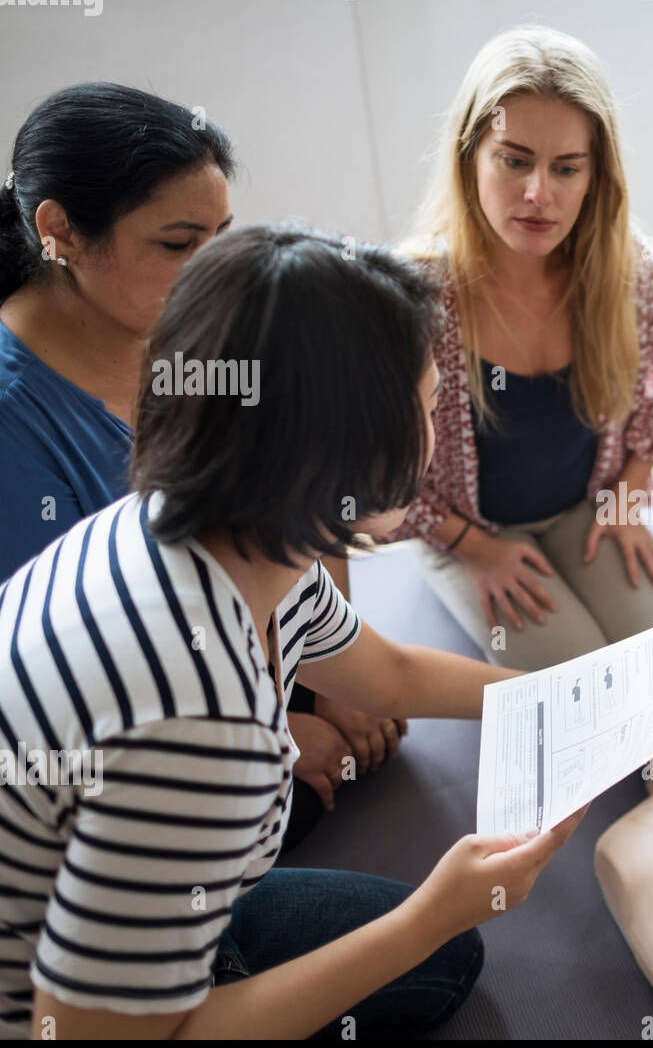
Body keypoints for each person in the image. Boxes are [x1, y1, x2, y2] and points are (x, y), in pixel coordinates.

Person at [0, 224, 583, 1040]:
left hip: (116, 915)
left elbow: (390, 677)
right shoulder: (201, 724)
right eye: (428, 403)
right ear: (347, 447)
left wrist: (572, 699)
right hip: (64, 1028)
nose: (442, 415)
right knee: (431, 950)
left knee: (444, 961)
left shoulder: (217, 525)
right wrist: (431, 915)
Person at [0, 82, 400, 845]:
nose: (216, 267)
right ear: (60, 233)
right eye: (181, 245)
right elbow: (68, 673)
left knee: (373, 727)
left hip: (244, 636)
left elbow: (297, 493)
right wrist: (273, 733)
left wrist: (327, 674)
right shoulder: (16, 418)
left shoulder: (194, 324)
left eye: (223, 235)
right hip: (124, 714)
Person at [388, 25, 653, 671]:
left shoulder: (625, 268)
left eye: (566, 168)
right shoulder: (413, 293)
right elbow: (371, 469)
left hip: (585, 505)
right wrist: (474, 547)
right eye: (514, 159)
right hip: (465, 528)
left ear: (595, 175)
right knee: (582, 685)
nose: (540, 194)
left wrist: (628, 493)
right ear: (470, 154)